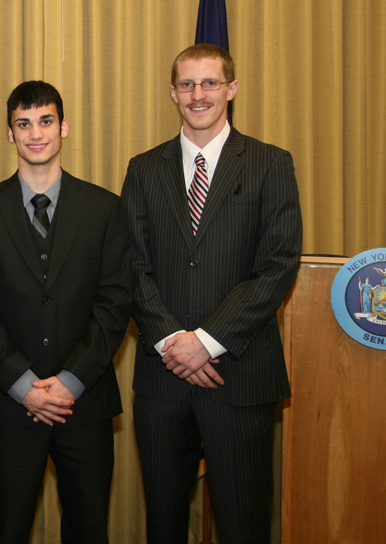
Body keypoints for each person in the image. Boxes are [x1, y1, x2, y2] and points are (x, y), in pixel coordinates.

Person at [121, 43, 303, 544]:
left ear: (232, 89)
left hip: (240, 376)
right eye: (187, 84)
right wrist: (172, 341)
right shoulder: (143, 168)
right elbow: (132, 266)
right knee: (163, 521)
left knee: (244, 522)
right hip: (163, 377)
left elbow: (277, 267)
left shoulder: (270, 164)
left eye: (210, 83)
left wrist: (207, 340)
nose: (198, 94)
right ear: (173, 93)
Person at [0, 81, 133, 543]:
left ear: (64, 127)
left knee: (89, 528)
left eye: (46, 120)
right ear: (10, 134)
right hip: (11, 405)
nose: (35, 133)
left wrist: (69, 381)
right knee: (8, 529)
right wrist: (25, 387)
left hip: (86, 401)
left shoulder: (105, 209)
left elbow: (115, 305)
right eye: (23, 123)